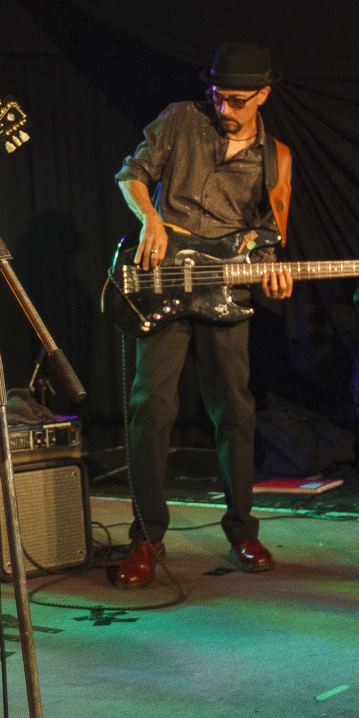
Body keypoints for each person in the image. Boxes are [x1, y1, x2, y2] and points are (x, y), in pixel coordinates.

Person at [114, 42, 295, 589]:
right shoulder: (180, 120)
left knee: (235, 410)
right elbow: (131, 174)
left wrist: (272, 270)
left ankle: (242, 529)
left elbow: (269, 234)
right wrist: (151, 219)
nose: (226, 109)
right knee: (151, 407)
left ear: (264, 94)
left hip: (224, 289)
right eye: (219, 97)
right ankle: (146, 537)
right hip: (164, 277)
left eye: (239, 100)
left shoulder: (276, 157)